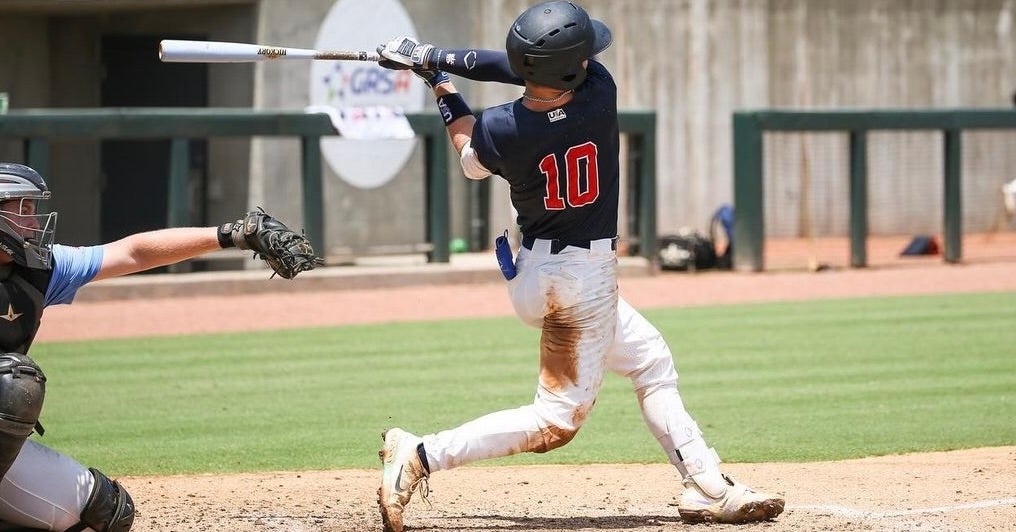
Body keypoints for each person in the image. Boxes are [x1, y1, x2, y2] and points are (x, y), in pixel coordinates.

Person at [373, 2, 785, 531]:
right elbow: (517, 65)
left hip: (537, 276)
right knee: (555, 421)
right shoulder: (599, 94)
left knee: (650, 360)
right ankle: (421, 454)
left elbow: (470, 156)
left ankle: (705, 485)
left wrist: (437, 78)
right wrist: (434, 59)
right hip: (579, 287)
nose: (592, 59)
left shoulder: (503, 128)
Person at [0, 161, 319, 531]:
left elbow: (134, 252)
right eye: (21, 209)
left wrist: (232, 235)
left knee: (106, 513)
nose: (34, 222)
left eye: (32, 208)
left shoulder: (40, 269)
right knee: (13, 382)